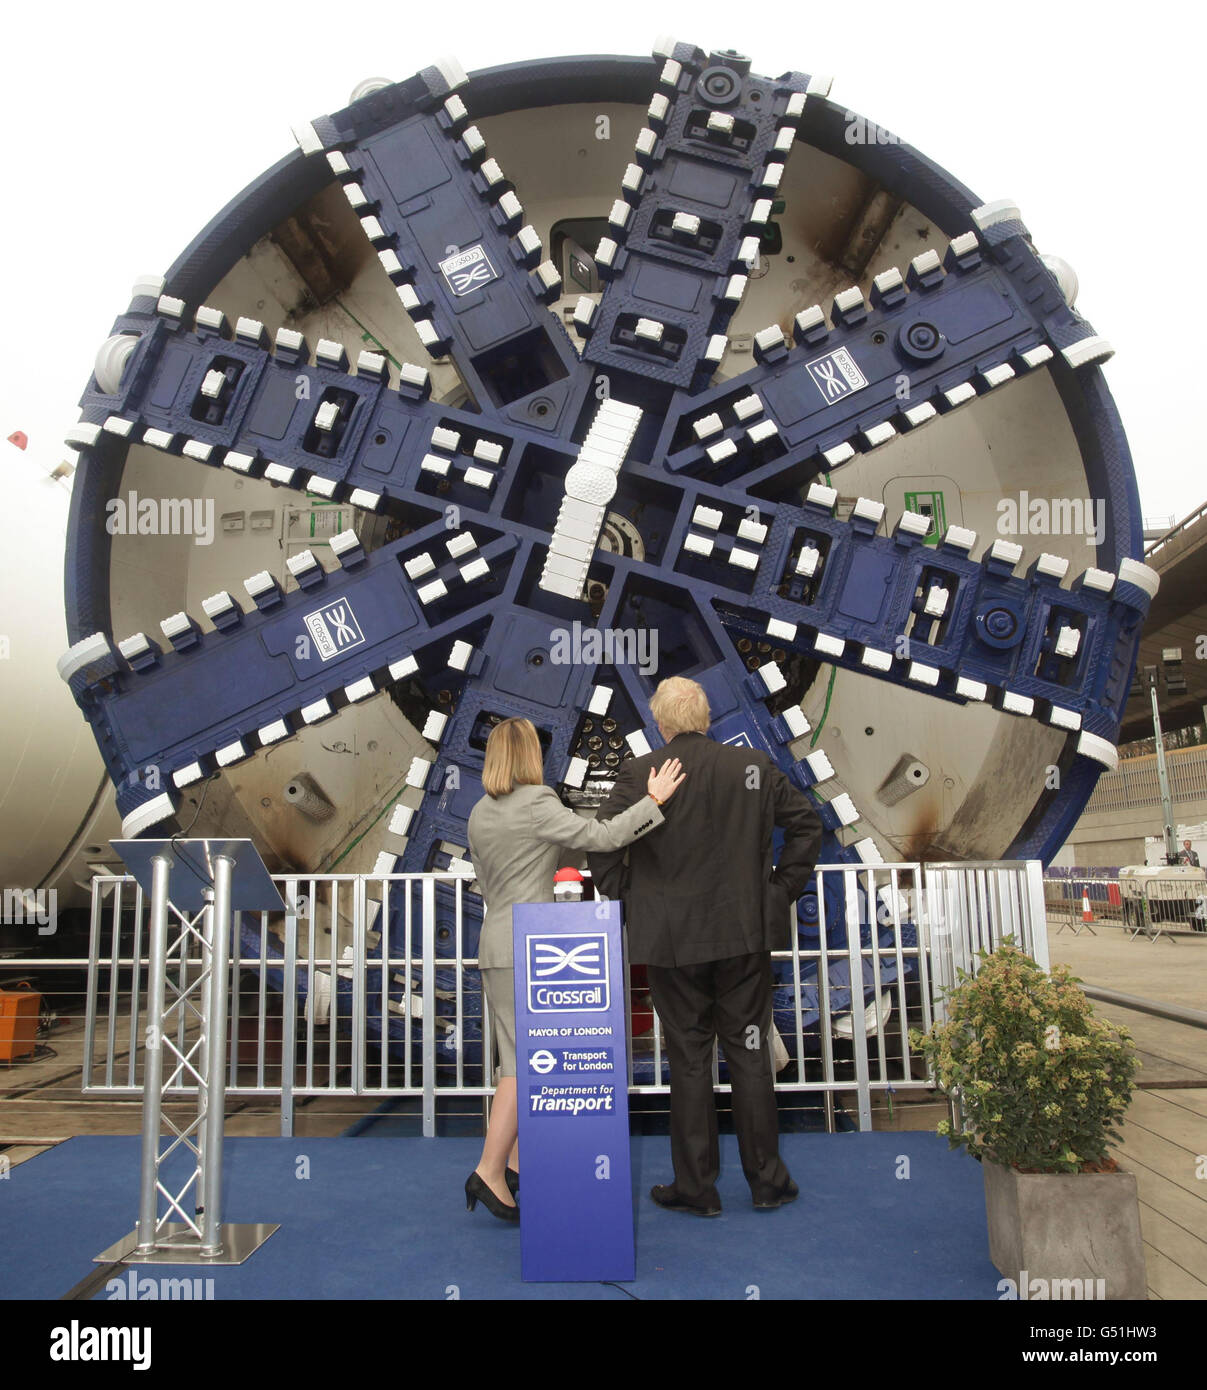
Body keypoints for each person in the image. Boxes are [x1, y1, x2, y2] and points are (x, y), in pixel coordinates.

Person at [589, 676, 823, 1216]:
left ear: (661, 724)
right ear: (707, 718)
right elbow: (806, 826)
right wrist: (778, 892)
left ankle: (697, 1189)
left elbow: (601, 849)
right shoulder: (753, 768)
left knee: (690, 1060)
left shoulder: (639, 774)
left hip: (672, 945)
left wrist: (635, 899)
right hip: (744, 938)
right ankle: (767, 1182)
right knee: (748, 1054)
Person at [464, 716, 686, 1222]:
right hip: (528, 948)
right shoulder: (538, 803)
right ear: (528, 757)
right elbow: (603, 837)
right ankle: (490, 1171)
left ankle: (514, 1166)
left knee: (511, 1062)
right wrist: (652, 803)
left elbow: (487, 880)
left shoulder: (479, 812)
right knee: (523, 1067)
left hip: (495, 943)